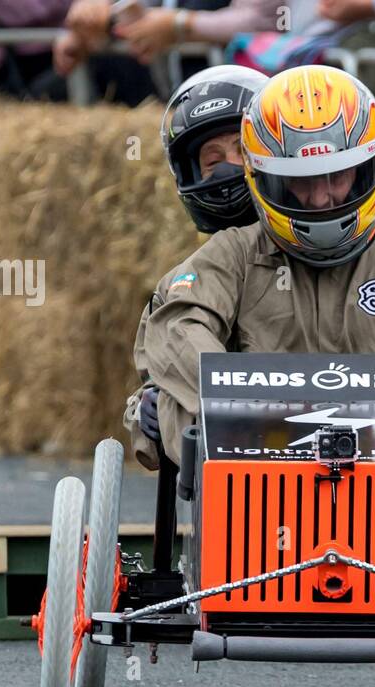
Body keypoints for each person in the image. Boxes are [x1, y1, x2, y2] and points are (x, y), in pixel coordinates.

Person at [128, 64, 375, 472]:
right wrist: (235, 409)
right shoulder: (230, 255)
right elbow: (178, 324)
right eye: (300, 182)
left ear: (370, 168)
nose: (321, 198)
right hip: (258, 485)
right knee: (172, 401)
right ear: (263, 179)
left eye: (337, 176)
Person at [124, 64, 271, 460]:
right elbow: (157, 368)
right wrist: (145, 410)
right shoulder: (177, 285)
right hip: (242, 465)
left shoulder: (335, 253)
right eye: (213, 160)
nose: (229, 168)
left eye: (242, 150)